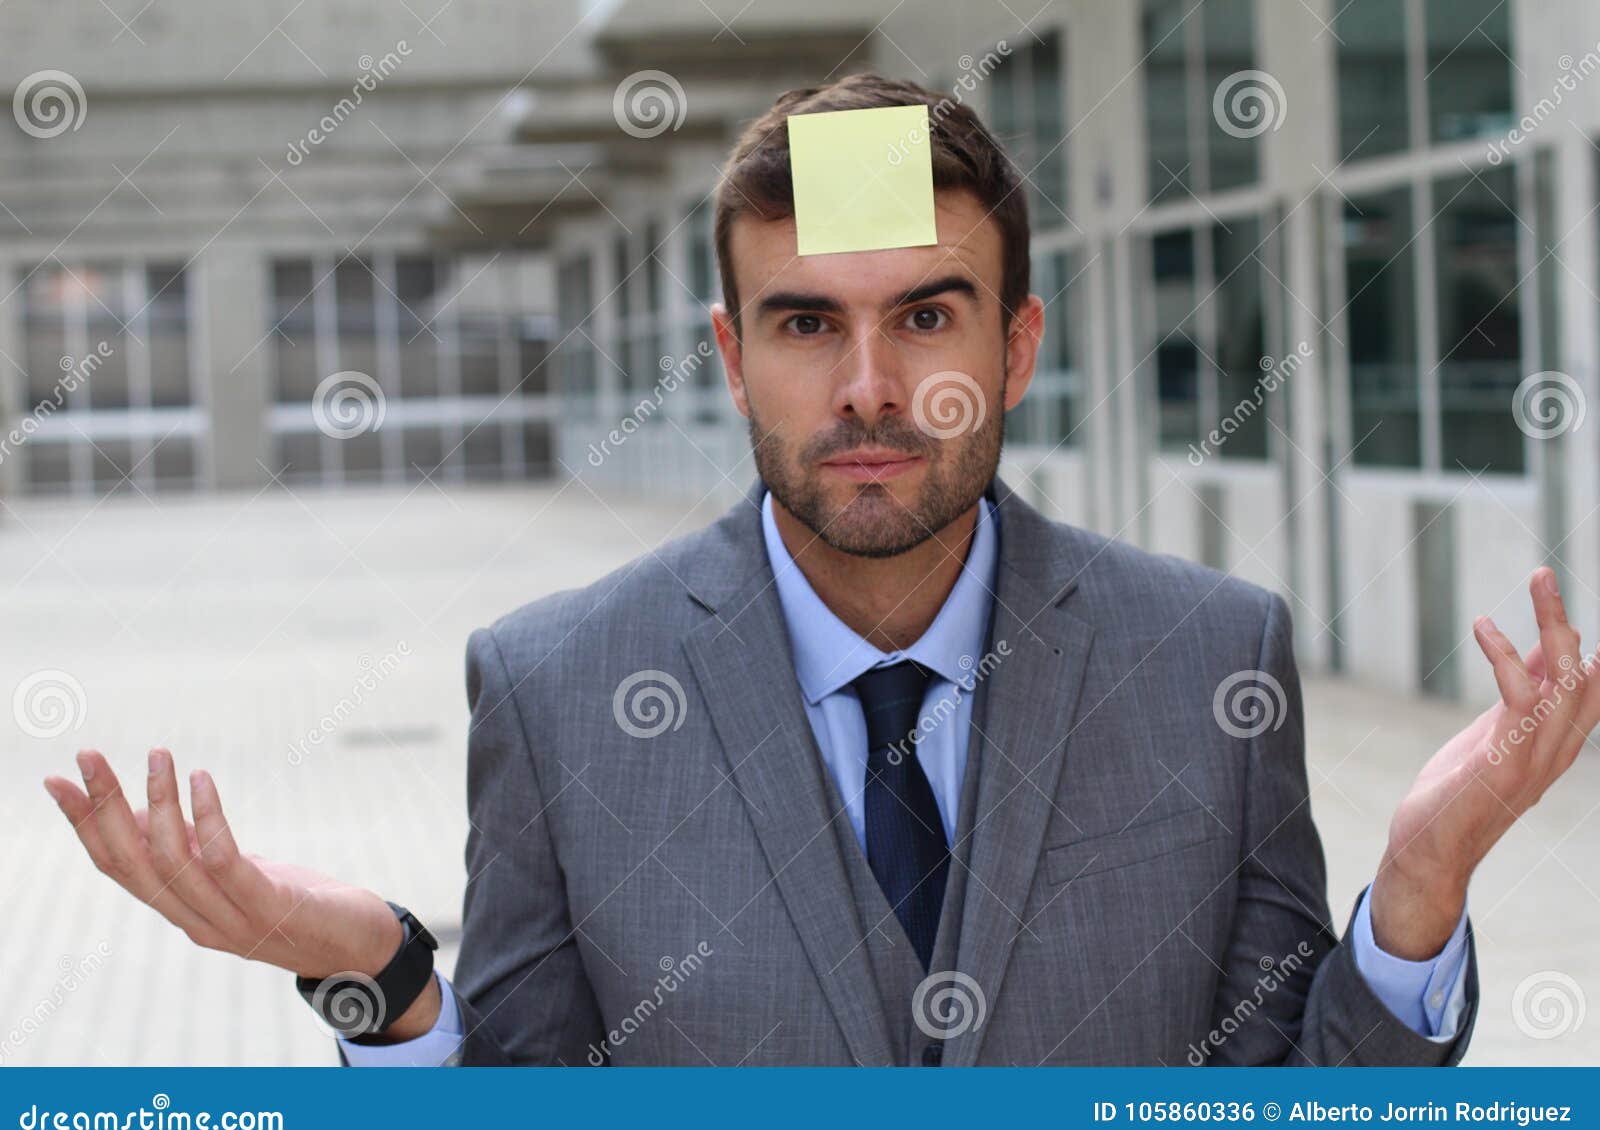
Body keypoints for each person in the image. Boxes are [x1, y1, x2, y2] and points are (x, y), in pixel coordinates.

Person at [44, 74, 1599, 1067]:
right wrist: (380, 976)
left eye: (927, 315)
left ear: (1020, 345)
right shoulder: (559, 687)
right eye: (805, 323)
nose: (867, 387)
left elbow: (1288, 1110)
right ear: (731, 357)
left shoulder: (1208, 660)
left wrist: (1416, 896)